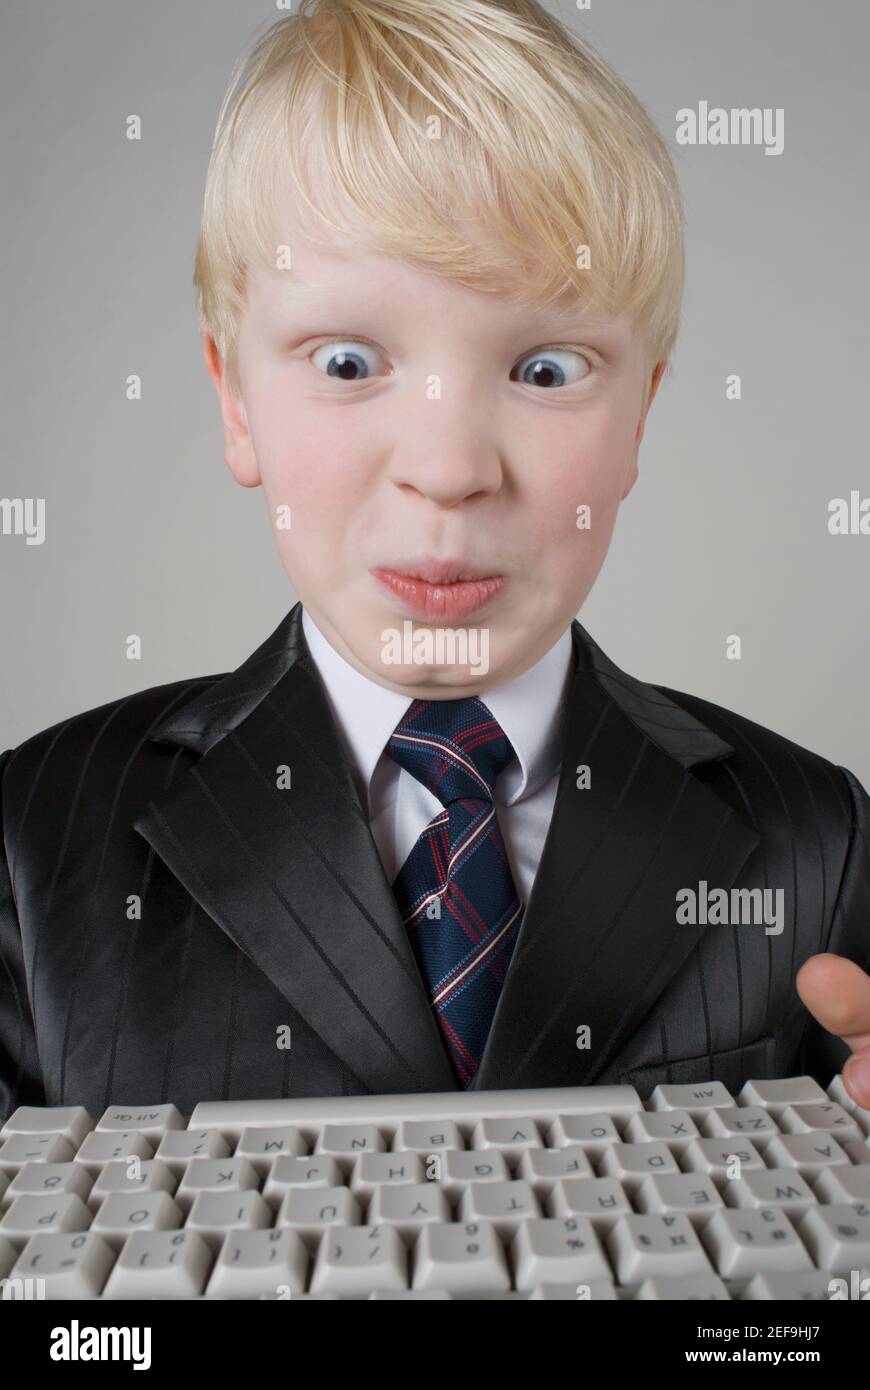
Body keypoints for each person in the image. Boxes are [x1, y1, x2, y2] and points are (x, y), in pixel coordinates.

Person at [2, 0, 868, 1121]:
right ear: (235, 401)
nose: (452, 467)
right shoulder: (32, 843)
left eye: (548, 371)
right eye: (351, 359)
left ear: (641, 421)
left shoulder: (820, 843)